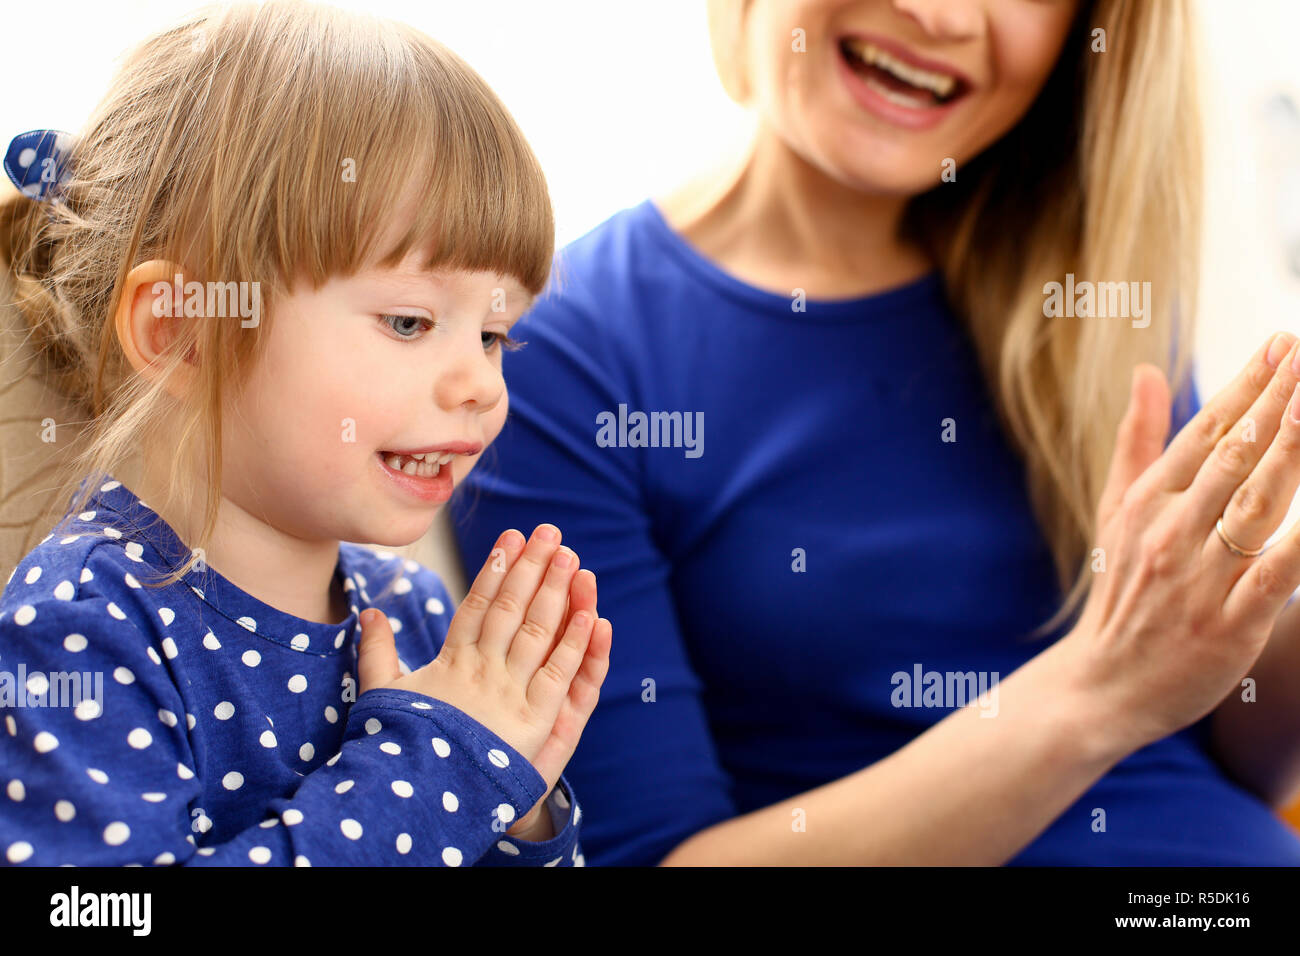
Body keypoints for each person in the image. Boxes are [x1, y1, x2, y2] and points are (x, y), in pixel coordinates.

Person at [450, 0, 1300, 864]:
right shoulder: (556, 351)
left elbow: (1218, 739)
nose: (934, 13)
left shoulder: (1093, 297)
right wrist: (1098, 690)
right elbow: (651, 858)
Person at [0, 0, 611, 867]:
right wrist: (442, 771)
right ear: (182, 331)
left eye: (494, 335)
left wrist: (522, 807)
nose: (481, 384)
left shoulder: (419, 612)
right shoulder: (82, 629)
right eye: (408, 322)